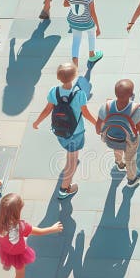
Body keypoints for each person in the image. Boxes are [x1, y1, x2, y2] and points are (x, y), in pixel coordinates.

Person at [0, 193, 63, 278]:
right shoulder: (21, 226)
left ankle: (7, 264)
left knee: (10, 260)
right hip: (18, 254)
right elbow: (38, 232)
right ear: (17, 212)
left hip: (5, 250)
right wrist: (52, 229)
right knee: (20, 273)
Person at [32, 63, 97, 199]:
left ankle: (70, 156)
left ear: (58, 77)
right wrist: (97, 123)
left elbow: (47, 110)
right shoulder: (79, 94)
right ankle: (64, 189)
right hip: (76, 133)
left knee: (70, 151)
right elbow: (85, 113)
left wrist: (37, 122)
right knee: (72, 163)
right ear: (74, 76)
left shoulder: (54, 91)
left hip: (61, 132)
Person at [97, 79, 140, 187]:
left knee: (117, 147)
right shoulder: (136, 110)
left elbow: (98, 125)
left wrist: (100, 132)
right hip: (129, 140)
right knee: (130, 158)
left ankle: (119, 163)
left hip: (112, 137)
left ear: (115, 94)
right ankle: (131, 179)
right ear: (131, 95)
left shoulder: (106, 106)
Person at [65, 0, 103, 68]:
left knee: (76, 40)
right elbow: (92, 13)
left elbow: (65, 4)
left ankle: (75, 63)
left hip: (74, 22)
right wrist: (98, 27)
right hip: (87, 22)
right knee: (91, 34)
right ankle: (92, 55)